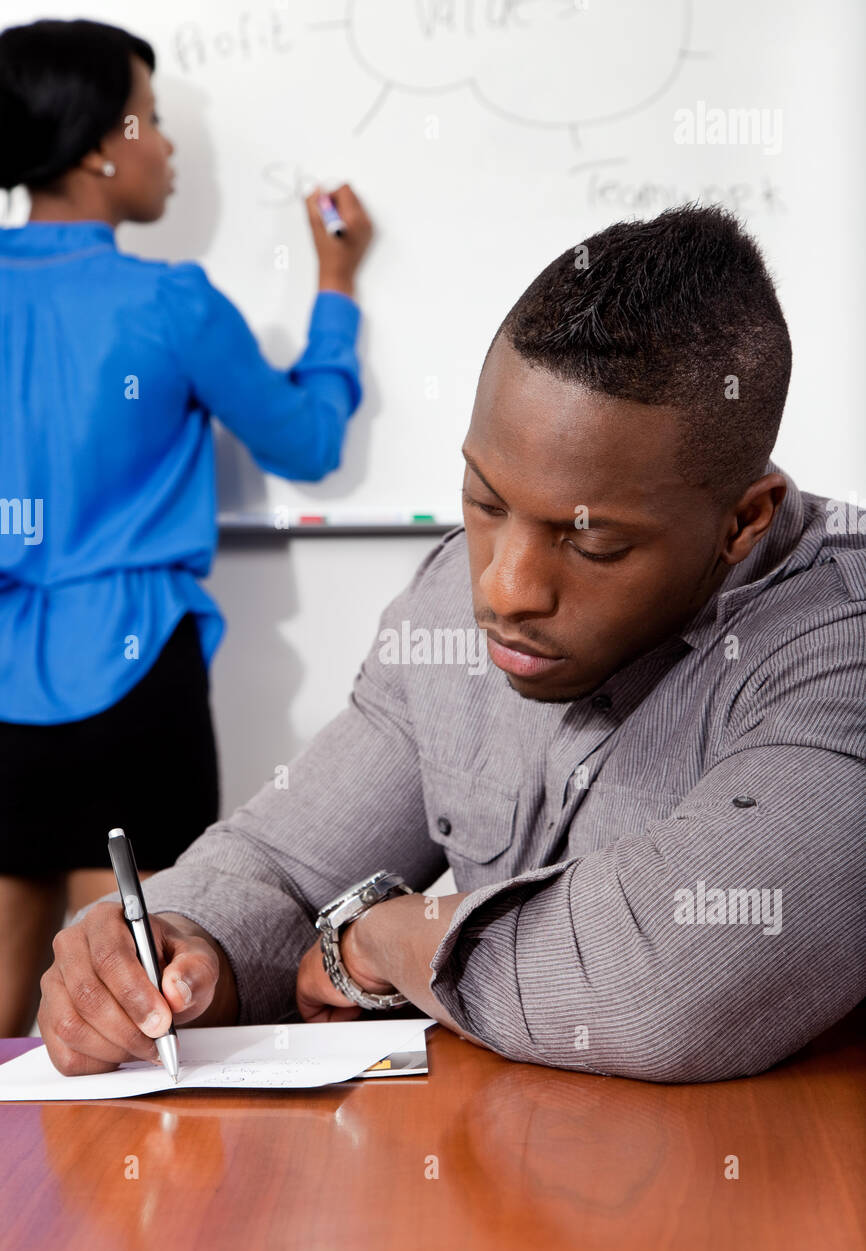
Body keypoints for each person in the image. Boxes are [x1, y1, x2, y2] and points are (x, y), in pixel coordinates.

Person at [40, 206, 865, 1083]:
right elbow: (281, 867)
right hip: (485, 1189)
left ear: (743, 522)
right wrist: (168, 950)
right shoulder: (446, 607)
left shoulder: (839, 641)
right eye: (485, 501)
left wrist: (388, 942)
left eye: (591, 543)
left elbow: (668, 985)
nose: (505, 590)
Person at [0, 18, 372, 1036]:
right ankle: (136, 1197)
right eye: (150, 121)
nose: (164, 147)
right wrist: (334, 288)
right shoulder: (170, 302)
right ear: (95, 144)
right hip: (133, 677)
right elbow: (303, 442)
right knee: (135, 993)